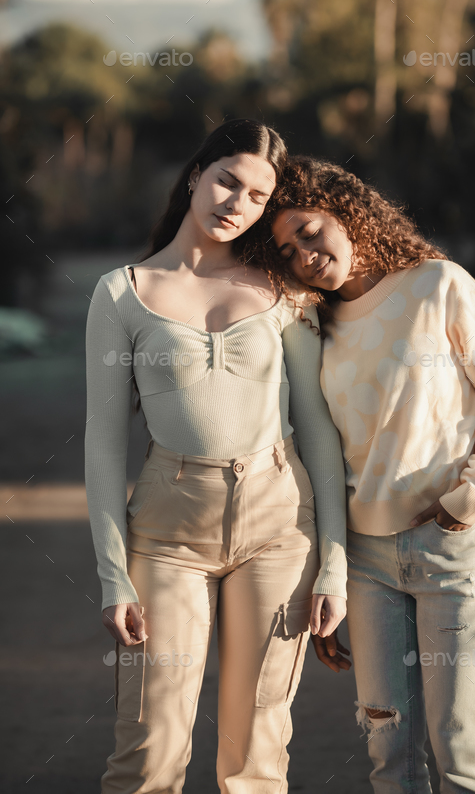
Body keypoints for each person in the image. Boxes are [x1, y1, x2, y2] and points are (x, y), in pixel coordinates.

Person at [84, 122, 348, 794]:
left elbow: (318, 429)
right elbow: (104, 443)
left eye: (258, 196)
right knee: (148, 754)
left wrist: (334, 564)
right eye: (228, 181)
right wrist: (114, 577)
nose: (238, 203)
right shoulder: (121, 292)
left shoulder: (283, 289)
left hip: (279, 531)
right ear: (197, 173)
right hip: (166, 535)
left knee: (257, 759)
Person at [251, 154, 475, 794]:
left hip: (447, 546)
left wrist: (470, 496)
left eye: (310, 232)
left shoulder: (438, 285)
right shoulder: (312, 323)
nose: (305, 256)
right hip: (364, 561)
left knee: (459, 744)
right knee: (387, 742)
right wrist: (326, 575)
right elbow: (317, 451)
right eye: (288, 252)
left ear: (347, 212)